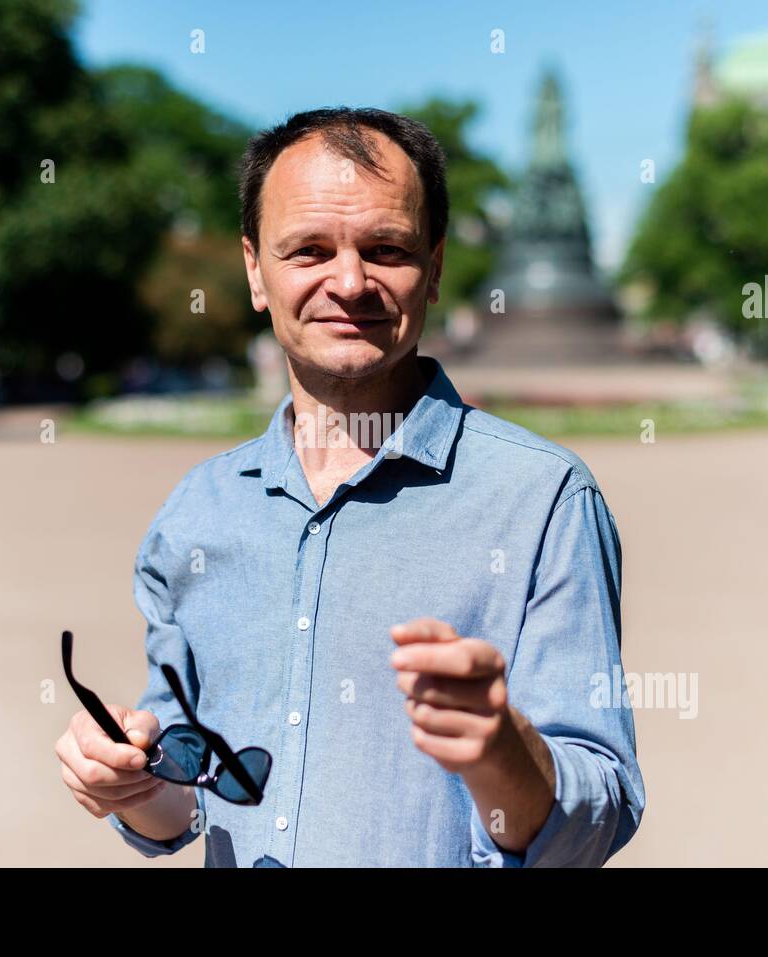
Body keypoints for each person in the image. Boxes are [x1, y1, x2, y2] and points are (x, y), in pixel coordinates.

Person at [56, 107, 644, 867]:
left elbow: (598, 818)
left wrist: (502, 752)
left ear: (433, 270)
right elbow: (188, 798)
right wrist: (132, 783)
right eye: (307, 250)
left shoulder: (546, 500)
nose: (349, 282)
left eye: (386, 248)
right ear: (254, 270)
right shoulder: (197, 514)